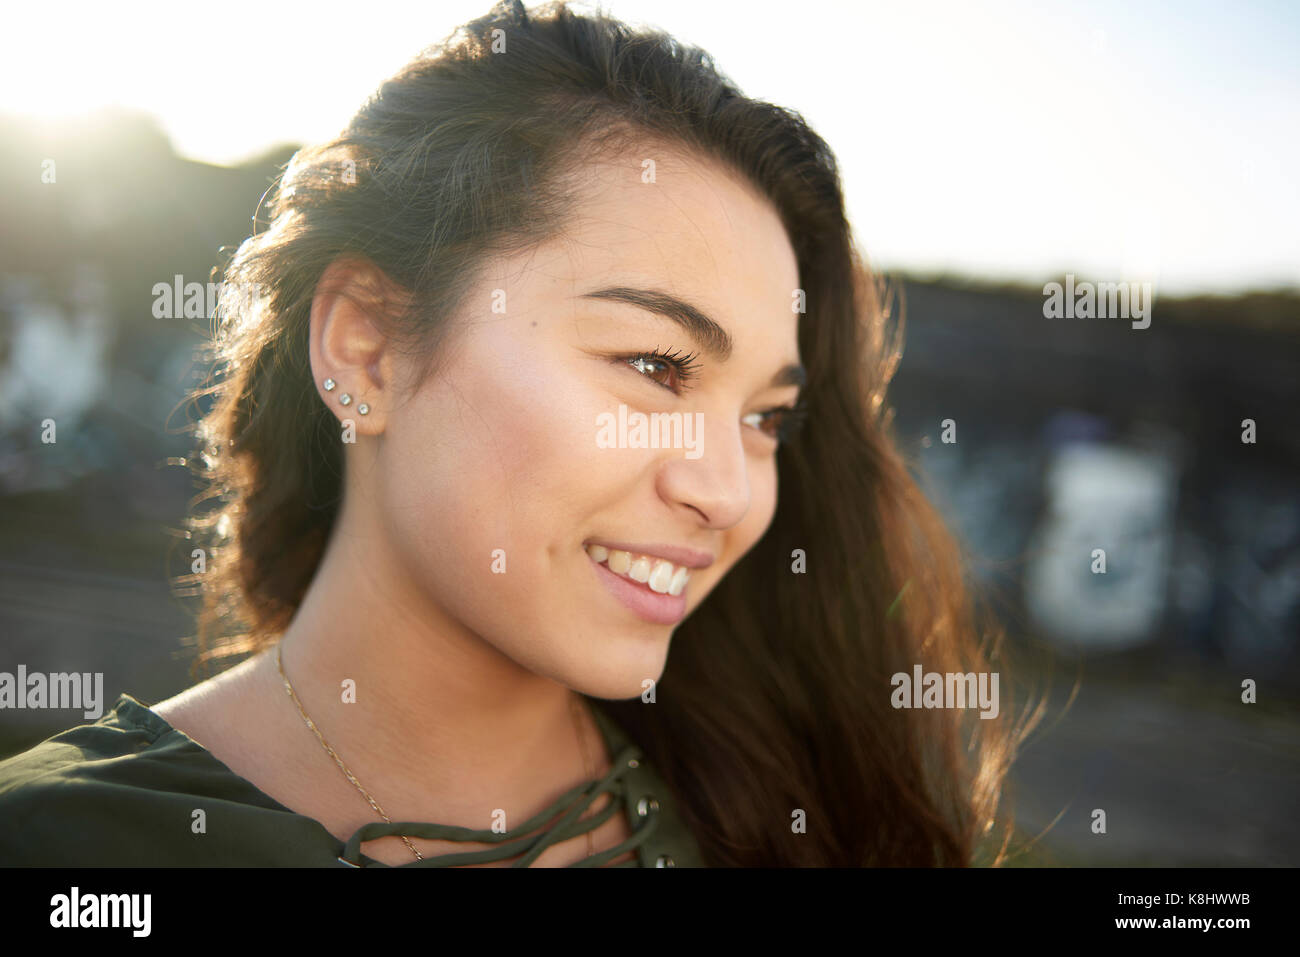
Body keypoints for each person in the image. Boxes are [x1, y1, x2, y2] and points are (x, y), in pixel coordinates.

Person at [0, 0, 1031, 867]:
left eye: (767, 418)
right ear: (367, 351)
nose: (728, 493)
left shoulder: (775, 824)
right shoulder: (70, 845)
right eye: (655, 367)